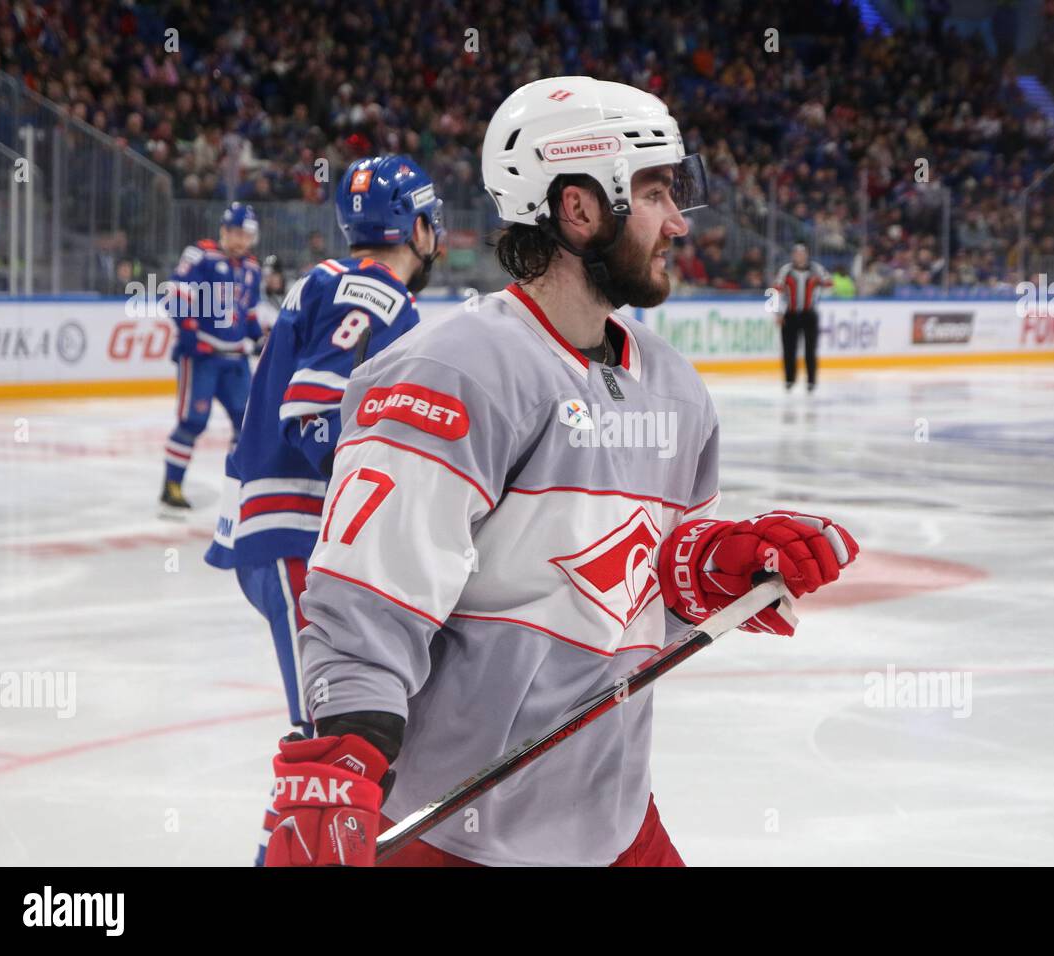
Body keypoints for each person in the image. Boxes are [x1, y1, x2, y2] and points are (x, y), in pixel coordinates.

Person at [262, 76, 862, 868]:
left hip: (612, 820)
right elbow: (370, 597)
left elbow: (646, 589)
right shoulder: (456, 370)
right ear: (578, 207)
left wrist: (717, 563)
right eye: (655, 193)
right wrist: (339, 762)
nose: (681, 223)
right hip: (455, 830)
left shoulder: (676, 389)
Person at [204, 155, 444, 863]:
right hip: (297, 537)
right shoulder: (373, 292)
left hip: (286, 537)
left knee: (341, 745)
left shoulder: (340, 282)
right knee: (331, 749)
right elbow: (314, 412)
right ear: (419, 226)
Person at [160, 202, 263, 511]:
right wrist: (190, 337)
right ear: (223, 231)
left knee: (246, 424)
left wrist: (260, 338)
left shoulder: (253, 268)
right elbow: (175, 297)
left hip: (235, 361)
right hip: (202, 357)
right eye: (234, 232)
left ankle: (238, 486)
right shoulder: (200, 256)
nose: (240, 240)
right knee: (193, 421)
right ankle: (172, 485)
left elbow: (251, 312)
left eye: (246, 234)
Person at [773, 242, 830, 392]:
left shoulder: (816, 269)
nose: (799, 256)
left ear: (806, 255)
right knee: (788, 349)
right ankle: (789, 380)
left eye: (802, 253)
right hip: (790, 315)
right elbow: (772, 291)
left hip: (809, 315)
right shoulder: (785, 270)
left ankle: (811, 381)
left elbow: (829, 284)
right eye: (796, 253)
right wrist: (777, 313)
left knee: (810, 349)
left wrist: (818, 297)